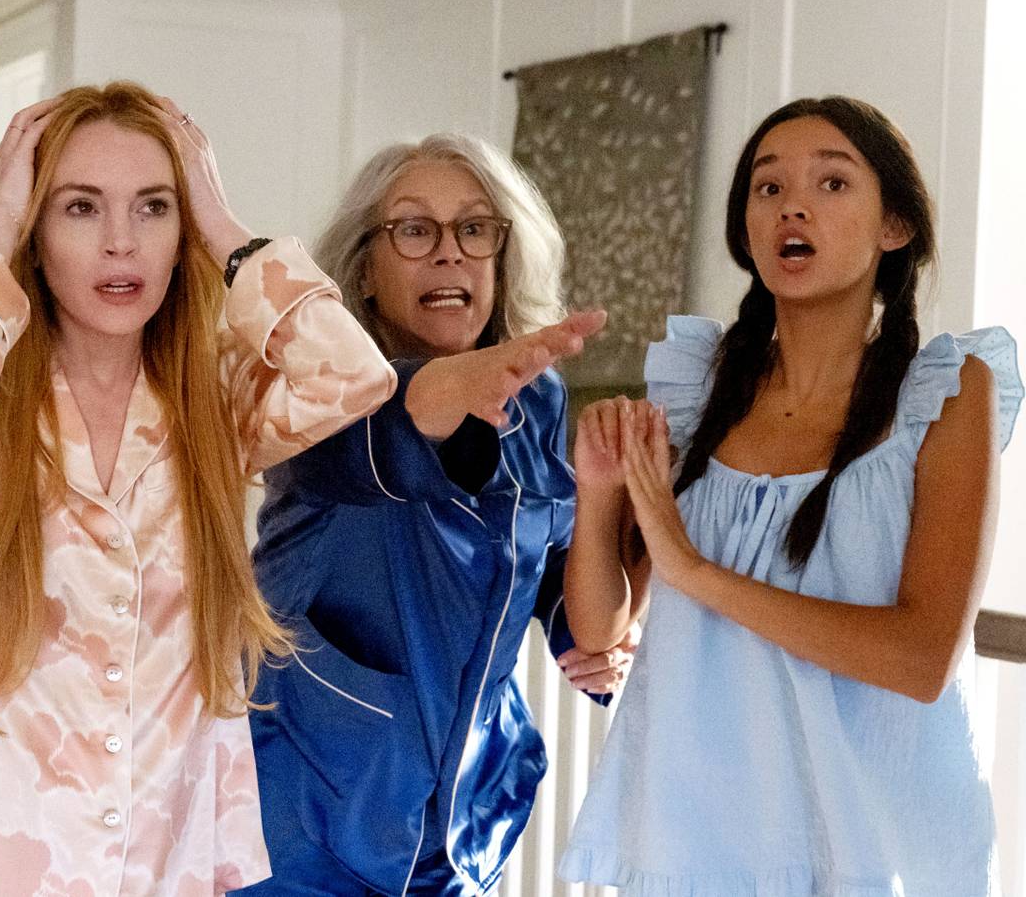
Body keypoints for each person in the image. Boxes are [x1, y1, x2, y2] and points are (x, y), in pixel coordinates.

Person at [0, 81, 396, 897]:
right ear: (37, 233)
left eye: (153, 208)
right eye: (81, 208)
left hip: (158, 861)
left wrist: (221, 226)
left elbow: (354, 375)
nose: (122, 243)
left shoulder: (214, 404)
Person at [560, 96, 1019, 896]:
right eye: (768, 187)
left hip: (879, 848)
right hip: (695, 838)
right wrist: (599, 495)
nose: (792, 206)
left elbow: (921, 660)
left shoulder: (948, 393)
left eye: (832, 183)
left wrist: (696, 573)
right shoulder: (698, 390)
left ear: (895, 226)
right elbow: (602, 627)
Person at [236, 133, 644, 896]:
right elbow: (401, 424)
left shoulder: (538, 401)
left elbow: (569, 594)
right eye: (415, 229)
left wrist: (601, 532)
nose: (450, 251)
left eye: (475, 229)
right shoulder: (318, 393)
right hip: (301, 816)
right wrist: (462, 381)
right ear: (366, 268)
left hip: (460, 826)